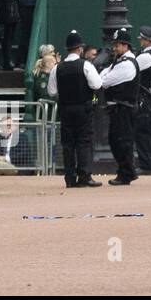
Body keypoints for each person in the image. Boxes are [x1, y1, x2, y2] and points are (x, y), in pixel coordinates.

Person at [47, 30, 102, 187]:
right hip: (83, 108)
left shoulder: (57, 68)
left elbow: (52, 92)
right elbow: (97, 84)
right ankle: (84, 176)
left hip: (65, 109)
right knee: (84, 141)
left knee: (68, 143)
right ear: (80, 49)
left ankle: (69, 177)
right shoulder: (86, 65)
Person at [98, 27, 141, 185]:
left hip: (124, 108)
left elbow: (104, 81)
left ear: (126, 46)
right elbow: (103, 75)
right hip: (119, 108)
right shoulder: (120, 61)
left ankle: (127, 172)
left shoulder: (126, 64)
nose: (114, 48)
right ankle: (127, 171)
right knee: (116, 140)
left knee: (122, 141)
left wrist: (105, 77)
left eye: (117, 45)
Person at [133, 25, 151, 173]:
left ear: (146, 41)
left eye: (142, 39)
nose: (140, 42)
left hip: (143, 98)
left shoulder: (145, 57)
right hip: (150, 96)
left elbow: (132, 68)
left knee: (142, 132)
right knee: (150, 132)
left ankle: (146, 165)